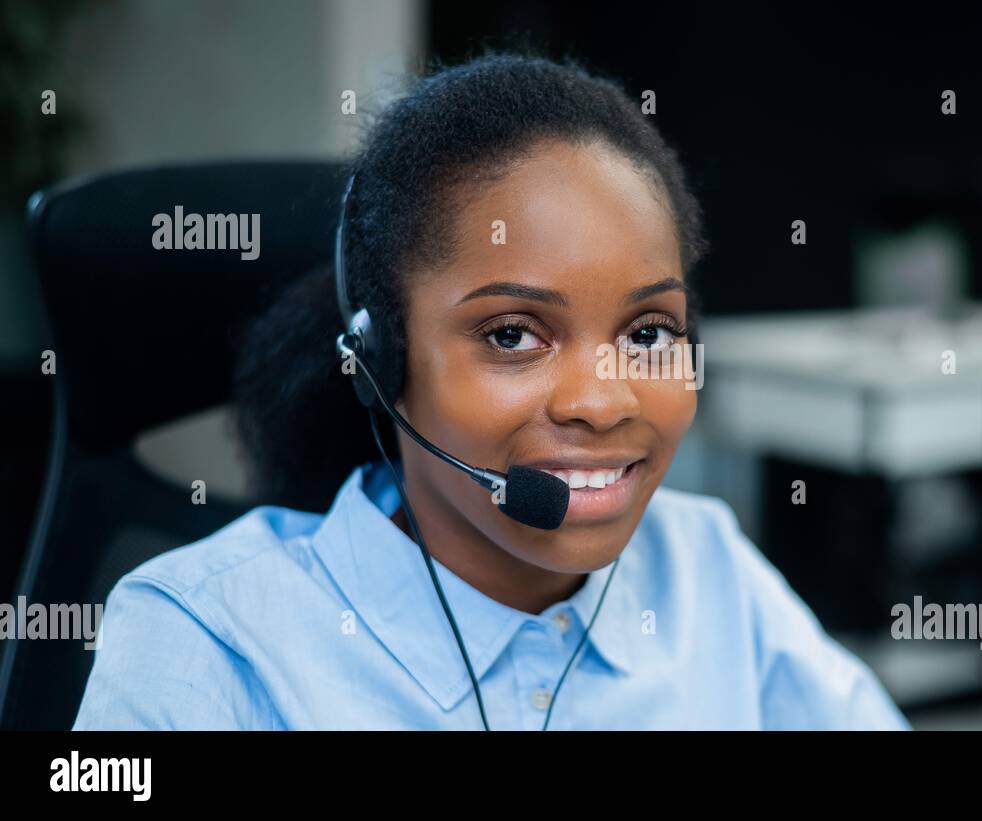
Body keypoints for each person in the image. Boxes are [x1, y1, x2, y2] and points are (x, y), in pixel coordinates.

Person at [72, 52, 908, 730]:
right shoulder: (207, 642)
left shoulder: (708, 569)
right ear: (379, 358)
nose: (603, 399)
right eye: (514, 335)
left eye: (649, 332)